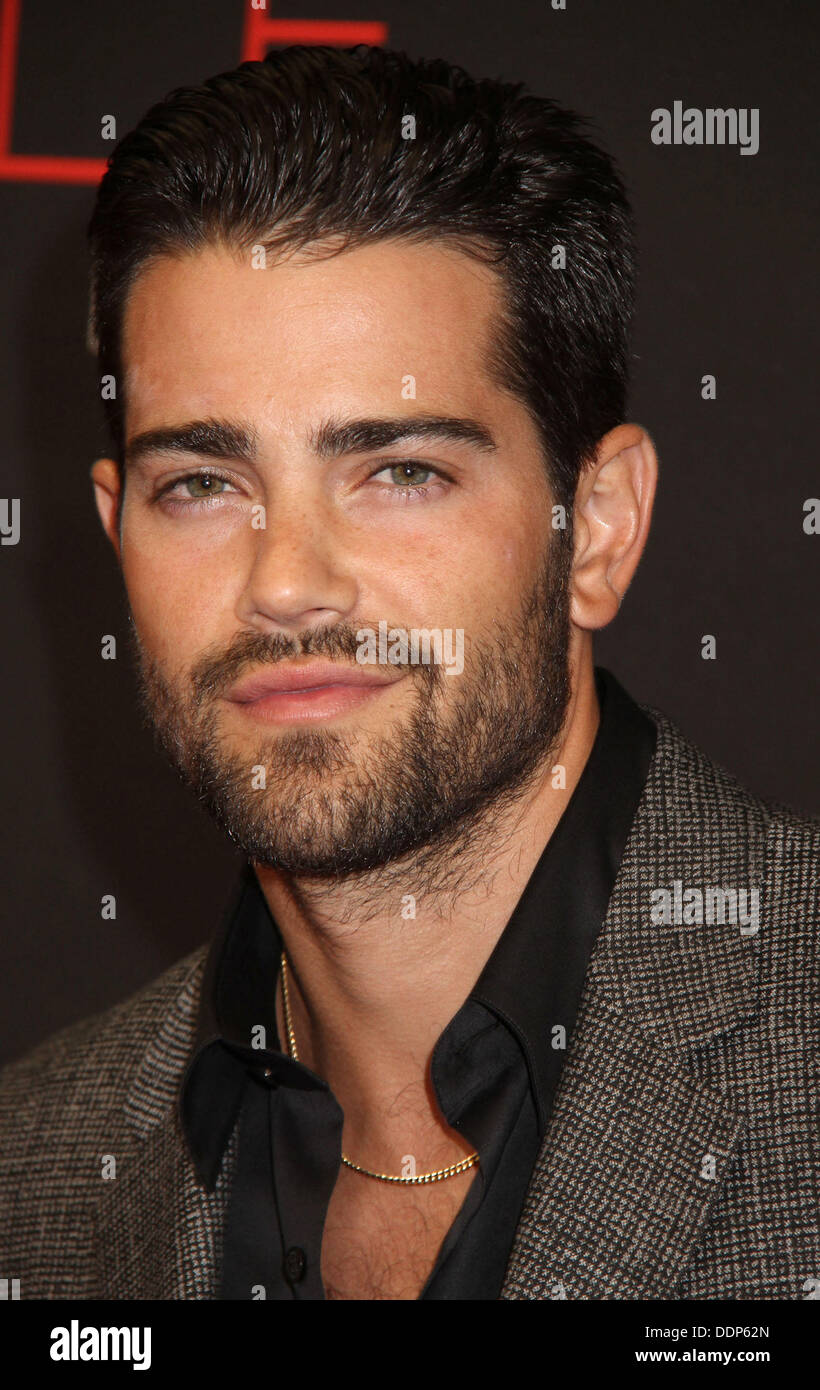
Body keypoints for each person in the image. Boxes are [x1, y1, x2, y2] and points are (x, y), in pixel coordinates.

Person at [0, 44, 816, 1301]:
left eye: (399, 472)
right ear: (118, 533)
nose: (285, 583)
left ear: (593, 527)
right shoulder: (36, 1165)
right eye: (202, 485)